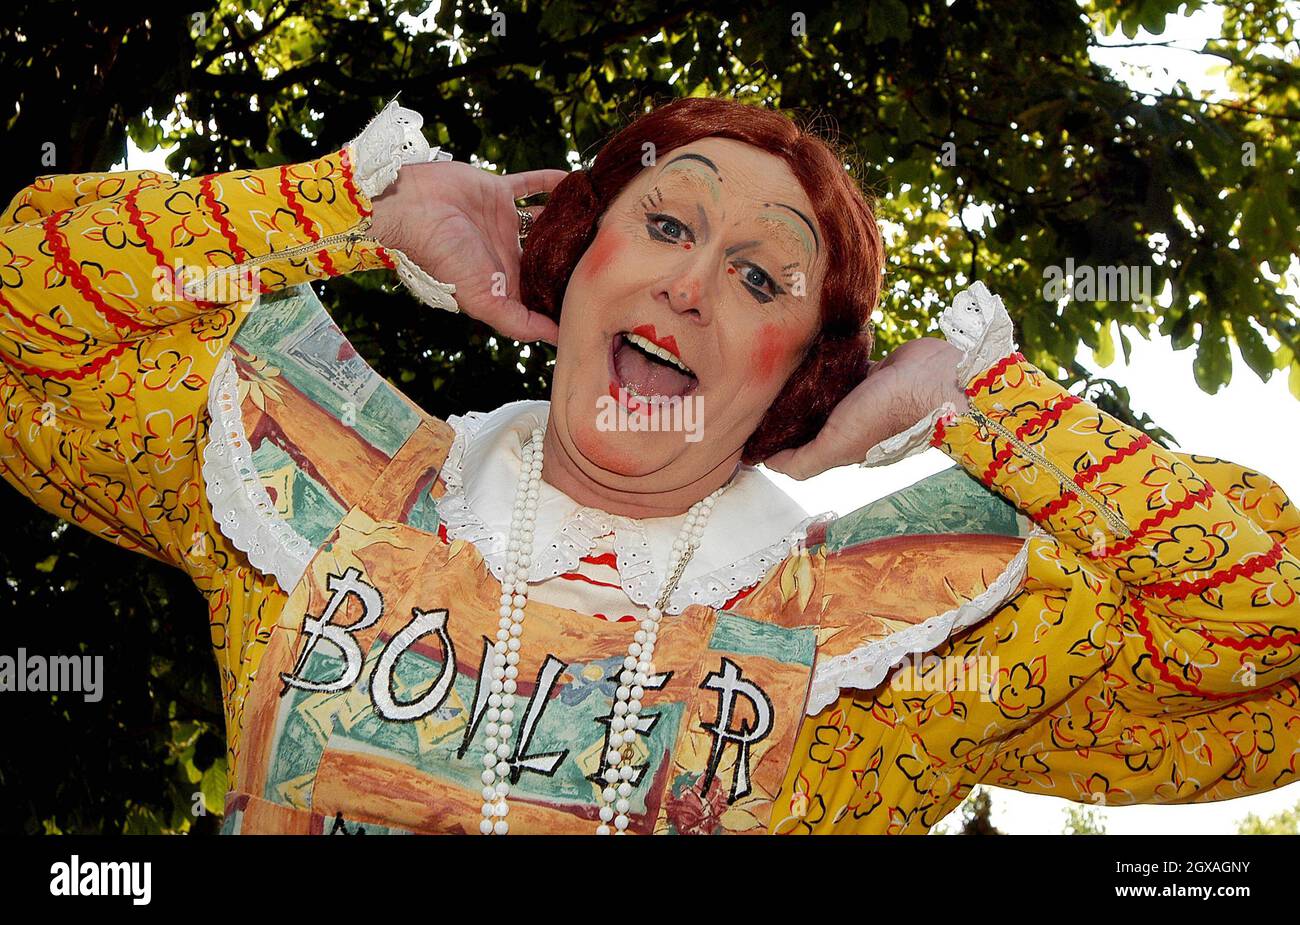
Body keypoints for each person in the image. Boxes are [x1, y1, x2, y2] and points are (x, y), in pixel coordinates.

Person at [1, 96, 1297, 835]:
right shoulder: (313, 481)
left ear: (803, 369)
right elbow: (27, 310)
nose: (688, 282)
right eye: (666, 224)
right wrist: (349, 206)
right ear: (573, 265)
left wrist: (984, 406)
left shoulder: (892, 630)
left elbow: (1268, 639)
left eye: (758, 275)